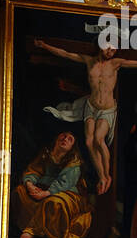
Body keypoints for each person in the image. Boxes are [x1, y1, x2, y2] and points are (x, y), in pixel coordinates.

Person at [34, 37, 137, 194]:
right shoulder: (89, 61)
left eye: (114, 49)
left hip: (107, 109)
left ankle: (107, 176)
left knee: (98, 139)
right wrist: (45, 46)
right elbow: (65, 54)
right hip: (91, 107)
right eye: (108, 48)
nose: (110, 52)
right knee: (89, 142)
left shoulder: (116, 63)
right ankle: (101, 176)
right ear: (101, 46)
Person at [13, 129, 92, 238]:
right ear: (56, 139)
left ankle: (34, 230)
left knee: (53, 202)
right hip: (42, 187)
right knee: (19, 192)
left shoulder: (74, 162)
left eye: (70, 139)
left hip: (67, 193)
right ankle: (21, 226)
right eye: (63, 136)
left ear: (72, 147)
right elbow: (34, 171)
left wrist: (46, 193)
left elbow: (64, 183)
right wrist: (30, 185)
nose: (65, 139)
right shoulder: (46, 154)